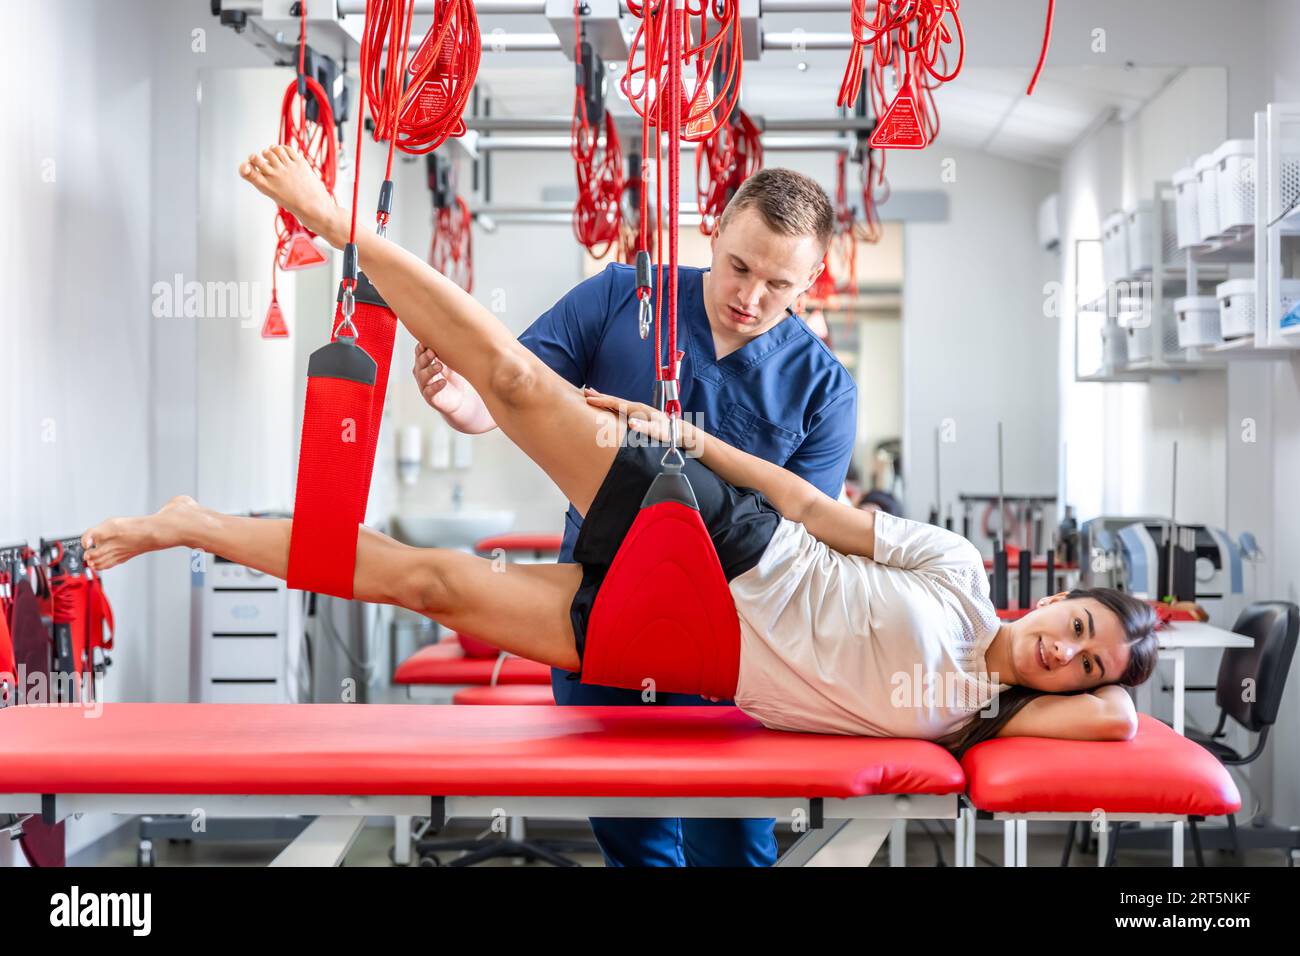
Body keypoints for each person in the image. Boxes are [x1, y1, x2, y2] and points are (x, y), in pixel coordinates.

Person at [83, 143, 1156, 840]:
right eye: (1075, 622)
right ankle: (339, 227)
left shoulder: (985, 720)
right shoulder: (963, 573)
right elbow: (812, 511)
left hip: (698, 650)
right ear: (715, 237)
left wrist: (1080, 668)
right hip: (730, 540)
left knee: (432, 586)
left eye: (1086, 653)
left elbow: (1114, 709)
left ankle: (192, 524)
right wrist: (681, 434)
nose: (1069, 647)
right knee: (512, 380)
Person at [411, 166, 857, 866]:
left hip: (734, 640)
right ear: (714, 229)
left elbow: (801, 548)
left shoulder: (824, 390)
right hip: (601, 607)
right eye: (739, 267)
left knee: (733, 838)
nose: (750, 296)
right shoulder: (624, 296)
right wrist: (456, 402)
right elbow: (510, 393)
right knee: (631, 836)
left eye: (779, 286)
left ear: (813, 279)